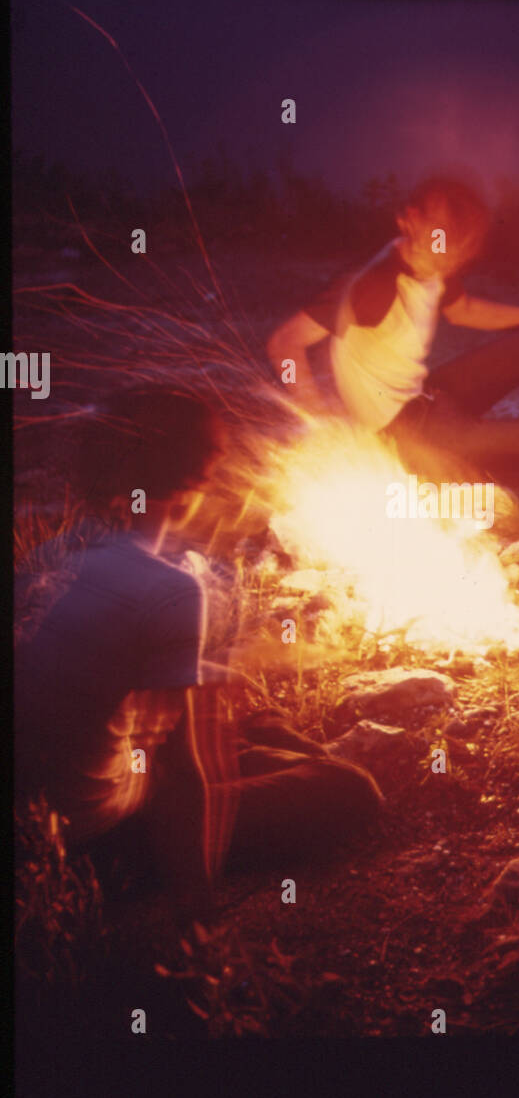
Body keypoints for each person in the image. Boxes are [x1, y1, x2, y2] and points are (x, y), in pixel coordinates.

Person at [15, 387, 384, 919]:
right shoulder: (168, 588)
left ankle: (275, 745)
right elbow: (186, 781)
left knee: (220, 714)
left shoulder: (60, 552)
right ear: (197, 477)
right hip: (102, 844)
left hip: (54, 805)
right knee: (348, 788)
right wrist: (197, 915)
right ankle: (296, 756)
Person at [267, 174, 519, 483]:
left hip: (428, 397)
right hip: (409, 438)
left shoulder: (433, 256)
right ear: (409, 219)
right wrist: (322, 423)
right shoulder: (374, 285)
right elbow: (285, 343)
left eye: (461, 248)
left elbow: (464, 310)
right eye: (445, 240)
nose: (451, 259)